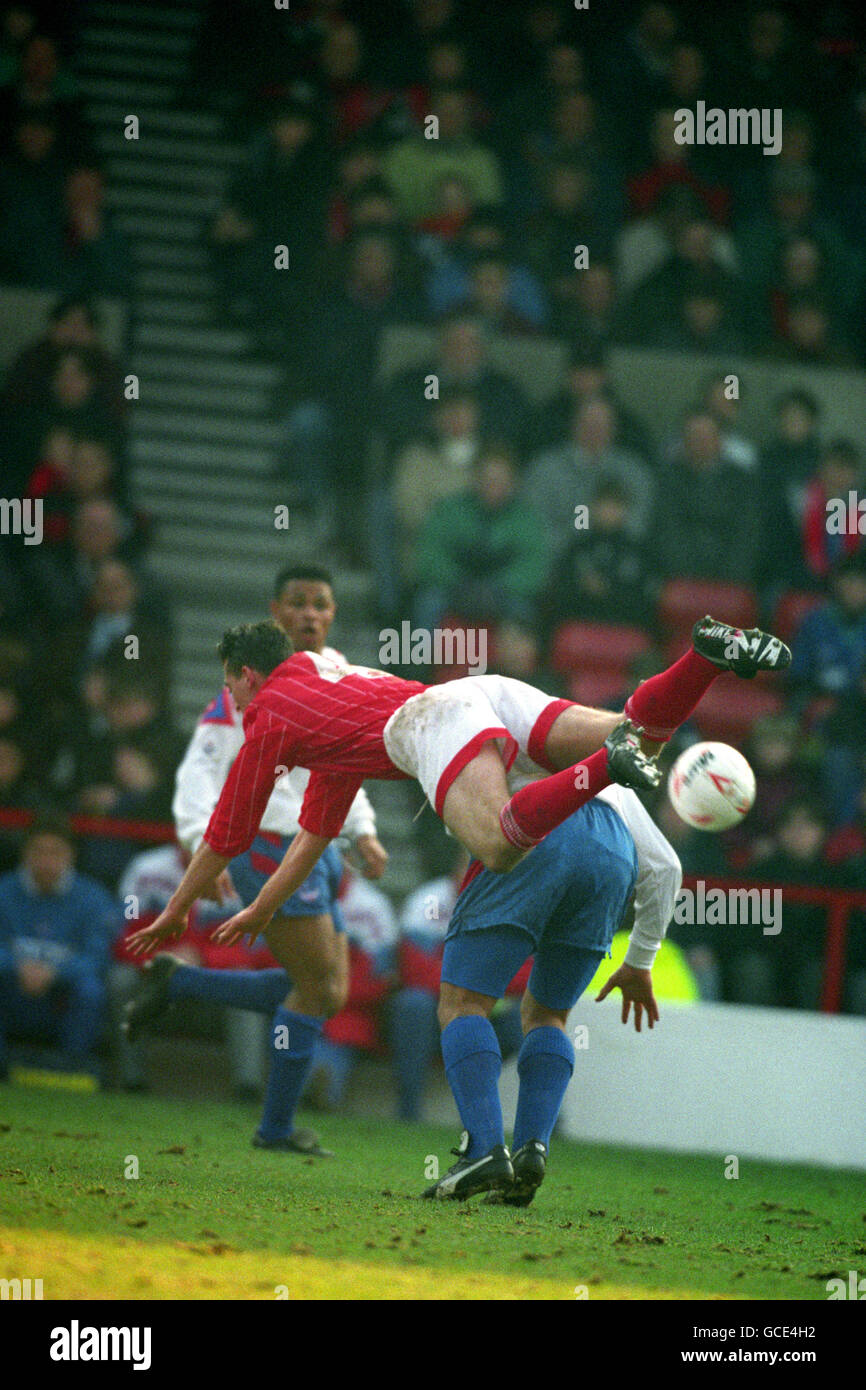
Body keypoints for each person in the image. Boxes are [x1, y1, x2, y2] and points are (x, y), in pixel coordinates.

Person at [127, 613, 790, 961]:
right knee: (639, 731)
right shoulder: (323, 689)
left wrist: (179, 908)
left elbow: (225, 832)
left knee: (500, 845)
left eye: (228, 682)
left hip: (435, 720)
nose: (229, 696)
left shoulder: (270, 715)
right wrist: (267, 908)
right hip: (487, 692)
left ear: (247, 674)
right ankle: (704, 655)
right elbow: (316, 831)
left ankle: (603, 771)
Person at [124, 565, 388, 1157]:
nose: (310, 614)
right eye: (297, 603)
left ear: (333, 613)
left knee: (330, 991)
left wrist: (361, 829)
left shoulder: (338, 671)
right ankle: (274, 1128)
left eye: (321, 604)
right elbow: (200, 772)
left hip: (319, 845)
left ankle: (182, 982)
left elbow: (344, 757)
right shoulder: (242, 689)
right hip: (269, 846)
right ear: (276, 613)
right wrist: (200, 844)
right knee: (317, 988)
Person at [422, 780, 682, 1202]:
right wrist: (639, 960)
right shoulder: (600, 758)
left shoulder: (493, 733)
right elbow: (667, 868)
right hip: (611, 851)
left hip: (531, 823)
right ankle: (532, 1150)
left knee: (464, 1004)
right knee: (548, 1015)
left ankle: (484, 1150)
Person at [0, 814, 117, 1078]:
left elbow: (98, 956)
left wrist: (54, 973)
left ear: (70, 856)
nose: (46, 861)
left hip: (60, 995)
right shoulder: (4, 891)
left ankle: (71, 1068)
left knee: (91, 990)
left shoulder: (94, 898)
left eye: (55, 852)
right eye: (38, 851)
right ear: (25, 854)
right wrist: (17, 966)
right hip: (12, 988)